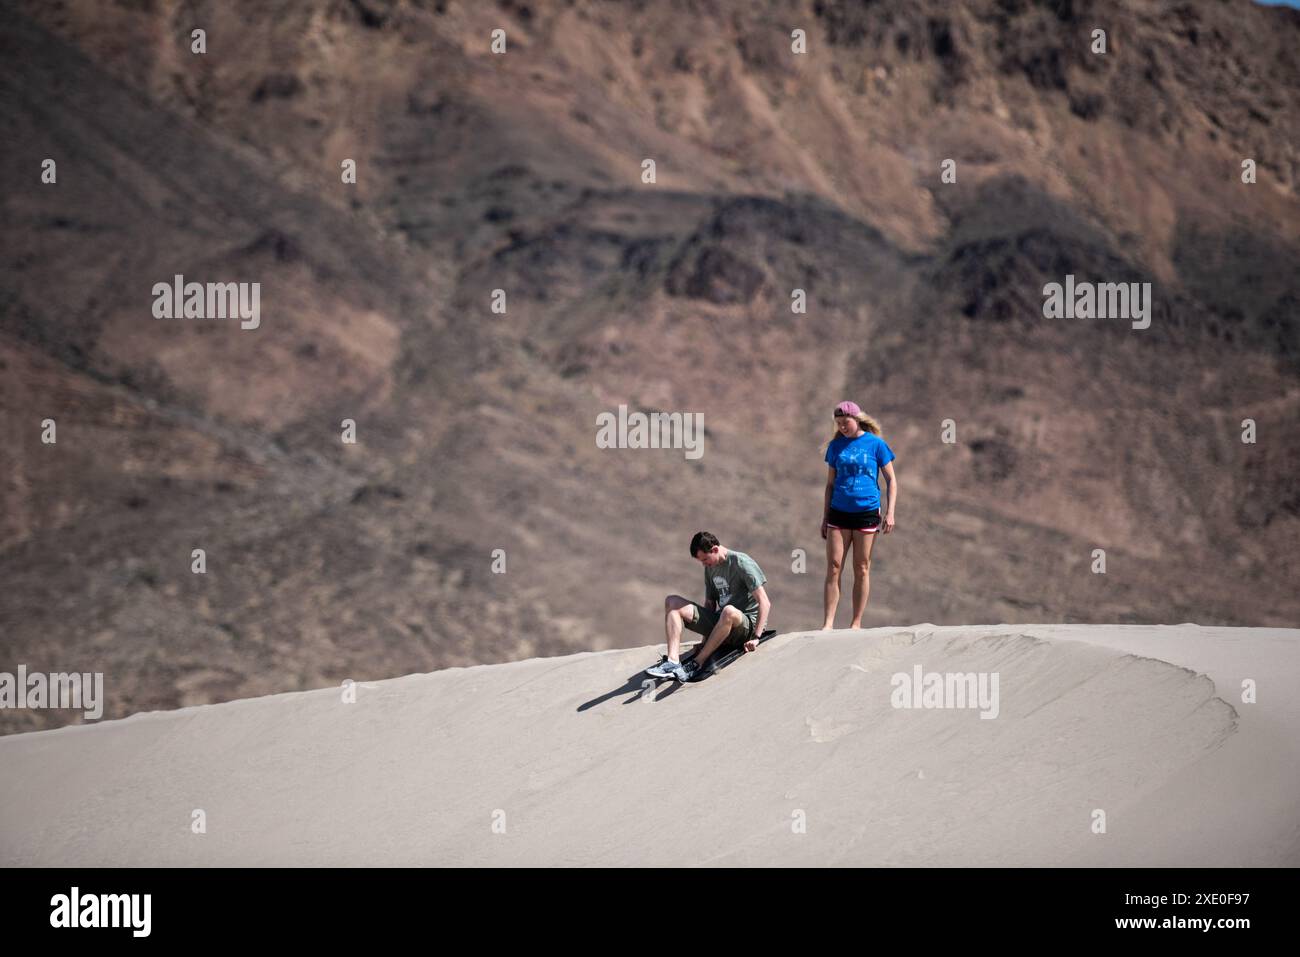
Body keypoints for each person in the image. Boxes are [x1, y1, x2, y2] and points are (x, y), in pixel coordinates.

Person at [647, 532, 771, 682]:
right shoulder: (710, 568)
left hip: (744, 627)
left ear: (715, 549)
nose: (704, 564)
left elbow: (764, 602)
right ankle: (672, 663)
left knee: (728, 611)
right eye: (701, 561)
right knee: (672, 602)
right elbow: (710, 604)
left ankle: (696, 663)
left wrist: (756, 638)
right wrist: (705, 640)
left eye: (705, 559)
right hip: (722, 623)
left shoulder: (741, 562)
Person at [820, 401, 897, 630]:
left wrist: (890, 512)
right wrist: (825, 517)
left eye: (846, 422)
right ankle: (828, 623)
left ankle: (856, 622)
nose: (843, 427)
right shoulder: (835, 447)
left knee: (861, 567)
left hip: (866, 512)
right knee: (834, 566)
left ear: (857, 419)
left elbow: (891, 480)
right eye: (839, 423)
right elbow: (830, 484)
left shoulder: (876, 445)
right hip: (838, 512)